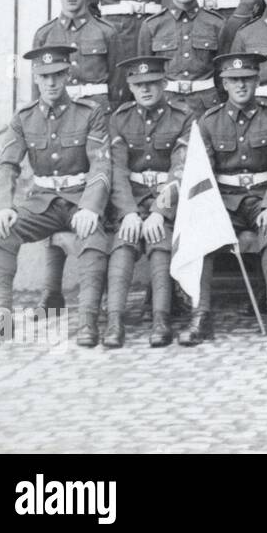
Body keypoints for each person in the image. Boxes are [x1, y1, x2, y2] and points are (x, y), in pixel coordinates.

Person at [0, 45, 112, 346]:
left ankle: (88, 321)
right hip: (41, 201)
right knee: (1, 234)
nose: (52, 83)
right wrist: (3, 207)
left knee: (92, 235)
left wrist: (91, 207)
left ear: (68, 74)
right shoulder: (23, 118)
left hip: (79, 199)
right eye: (45, 77)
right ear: (36, 79)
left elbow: (101, 162)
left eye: (57, 75)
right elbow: (6, 165)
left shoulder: (89, 113)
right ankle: (2, 319)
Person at [179, 52, 267, 346]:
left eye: (246, 79)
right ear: (224, 84)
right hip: (225, 201)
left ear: (257, 80)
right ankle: (201, 315)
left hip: (261, 196)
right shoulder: (209, 121)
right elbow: (201, 171)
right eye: (234, 81)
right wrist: (208, 208)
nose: (241, 86)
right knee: (201, 231)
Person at [32, 0, 121, 309]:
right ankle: (51, 290)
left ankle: (95, 288)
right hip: (57, 128)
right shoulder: (45, 34)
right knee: (53, 197)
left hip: (97, 125)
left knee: (99, 201)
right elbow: (38, 89)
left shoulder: (106, 33)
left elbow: (116, 89)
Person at [104, 56, 192, 348]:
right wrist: (128, 212)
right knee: (124, 243)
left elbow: (180, 167)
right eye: (138, 84)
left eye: (152, 83)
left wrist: (159, 211)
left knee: (159, 241)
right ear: (129, 86)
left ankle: (160, 320)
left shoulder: (182, 116)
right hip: (132, 198)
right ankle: (115, 322)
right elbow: (116, 170)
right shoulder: (119, 119)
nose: (145, 89)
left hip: (165, 199)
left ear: (164, 83)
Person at [139, 0, 227, 117]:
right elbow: (146, 75)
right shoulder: (152, 26)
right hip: (166, 105)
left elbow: (223, 75)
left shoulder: (216, 24)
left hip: (207, 107)